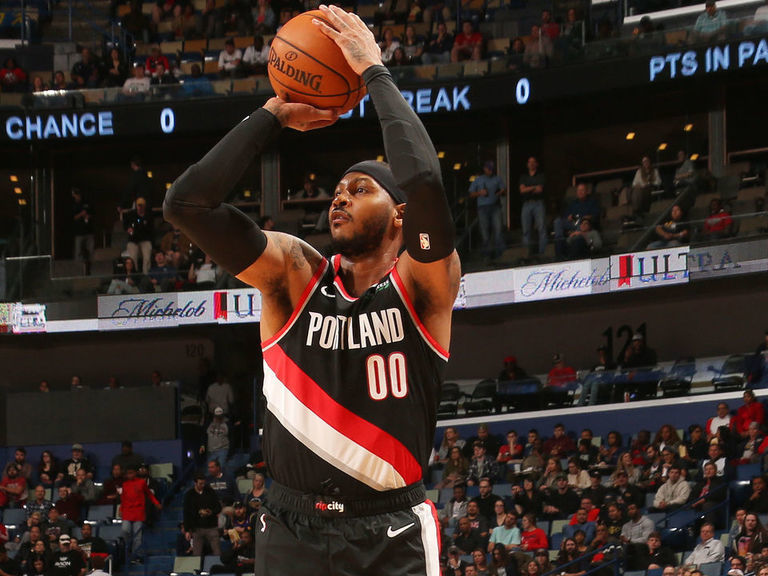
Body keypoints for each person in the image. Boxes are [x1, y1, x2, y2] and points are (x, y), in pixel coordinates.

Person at [164, 6, 459, 575]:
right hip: (290, 526)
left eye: (360, 188)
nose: (339, 197)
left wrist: (374, 72)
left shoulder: (424, 287)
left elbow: (424, 179)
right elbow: (186, 205)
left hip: (390, 529)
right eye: (338, 190)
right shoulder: (295, 274)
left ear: (400, 214)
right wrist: (272, 114)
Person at [120, 466, 162, 564]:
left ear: (135, 473)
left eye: (131, 473)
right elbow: (123, 498)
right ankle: (128, 549)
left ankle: (135, 556)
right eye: (128, 473)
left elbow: (149, 494)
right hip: (127, 512)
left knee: (137, 537)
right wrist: (121, 509)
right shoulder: (125, 484)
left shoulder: (141, 483)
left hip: (139, 512)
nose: (130, 475)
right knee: (125, 530)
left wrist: (156, 503)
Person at [468, 160, 506, 264]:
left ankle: (499, 254)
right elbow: (471, 194)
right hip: (483, 208)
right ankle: (487, 254)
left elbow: (504, 190)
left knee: (498, 230)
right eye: (488, 169)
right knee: (485, 232)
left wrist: (500, 192)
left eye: (491, 169)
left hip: (495, 207)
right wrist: (479, 193)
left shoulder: (497, 178)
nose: (490, 171)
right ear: (485, 169)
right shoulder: (478, 179)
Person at [519, 156, 547, 260]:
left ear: (536, 164)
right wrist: (534, 187)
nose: (531, 164)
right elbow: (522, 190)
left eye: (533, 162)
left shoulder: (540, 176)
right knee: (526, 230)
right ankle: (527, 254)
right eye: (529, 162)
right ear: (527, 164)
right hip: (526, 204)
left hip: (538, 203)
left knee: (541, 228)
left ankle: (542, 253)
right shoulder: (523, 177)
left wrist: (528, 188)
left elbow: (540, 189)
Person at [123, 196, 154, 274]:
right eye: (139, 205)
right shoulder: (131, 214)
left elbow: (151, 230)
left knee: (147, 257)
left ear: (144, 206)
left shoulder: (149, 215)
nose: (140, 207)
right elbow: (125, 225)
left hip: (145, 239)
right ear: (136, 206)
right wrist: (128, 229)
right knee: (132, 258)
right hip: (133, 240)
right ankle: (133, 275)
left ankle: (146, 275)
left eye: (142, 206)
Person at [71, 188, 94, 273]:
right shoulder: (73, 205)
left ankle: (91, 269)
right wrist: (81, 214)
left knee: (90, 251)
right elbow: (73, 217)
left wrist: (88, 216)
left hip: (89, 231)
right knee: (78, 252)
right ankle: (78, 271)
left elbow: (92, 213)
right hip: (79, 232)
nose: (76, 197)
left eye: (76, 195)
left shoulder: (87, 202)